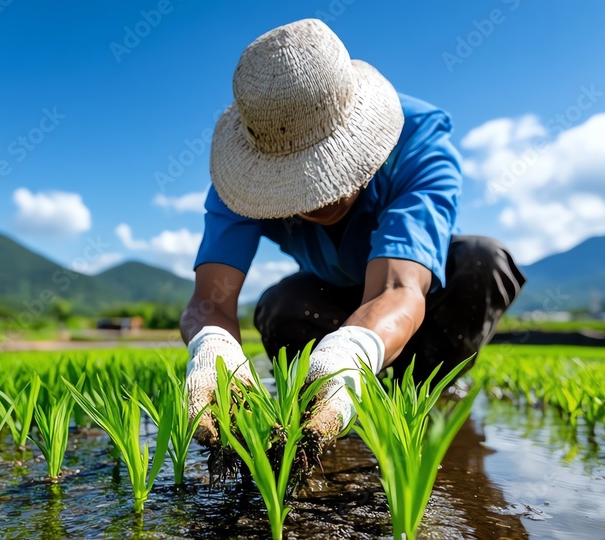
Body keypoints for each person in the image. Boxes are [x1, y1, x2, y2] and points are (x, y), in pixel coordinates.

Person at [181, 18, 526, 447]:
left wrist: (352, 351)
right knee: (280, 307)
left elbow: (399, 289)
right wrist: (212, 345)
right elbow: (209, 302)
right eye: (294, 184)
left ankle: (426, 395)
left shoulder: (419, 140)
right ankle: (321, 407)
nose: (315, 200)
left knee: (484, 262)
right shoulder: (240, 180)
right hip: (331, 297)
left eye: (327, 172)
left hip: (416, 294)